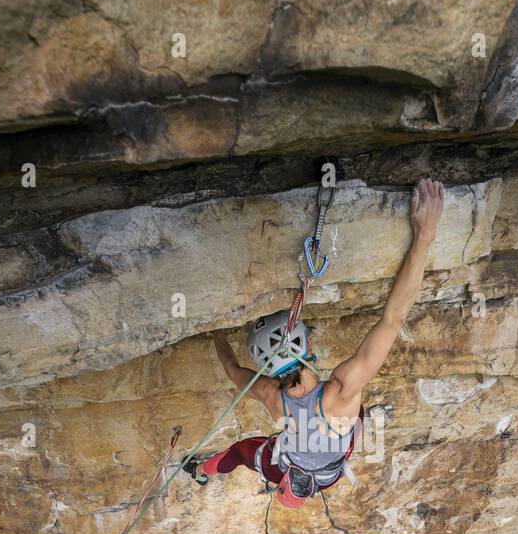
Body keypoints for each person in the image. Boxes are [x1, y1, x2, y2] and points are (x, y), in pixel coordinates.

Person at [184, 178, 446, 507]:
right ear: (308, 350)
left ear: (266, 368)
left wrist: (216, 330)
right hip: (319, 467)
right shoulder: (340, 391)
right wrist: (425, 236)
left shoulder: (273, 394)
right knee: (356, 415)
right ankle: (274, 486)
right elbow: (393, 319)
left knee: (241, 454)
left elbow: (232, 367)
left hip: (318, 468)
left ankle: (199, 470)